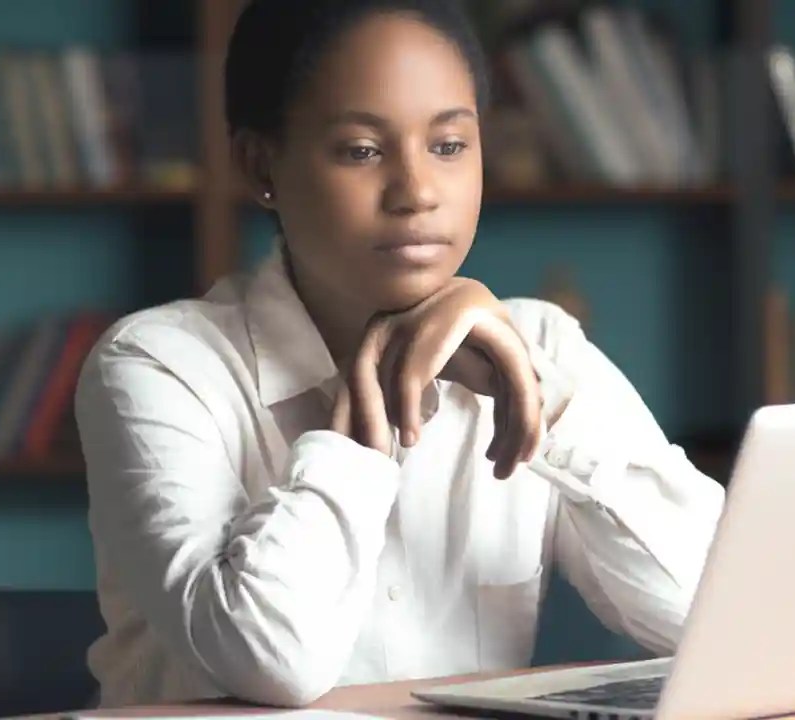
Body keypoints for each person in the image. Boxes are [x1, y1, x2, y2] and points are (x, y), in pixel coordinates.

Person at [74, 0, 725, 709]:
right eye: (362, 150)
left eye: (448, 147)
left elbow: (723, 621)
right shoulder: (159, 367)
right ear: (260, 163)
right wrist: (364, 431)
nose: (417, 193)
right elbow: (269, 663)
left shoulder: (538, 348)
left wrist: (546, 404)